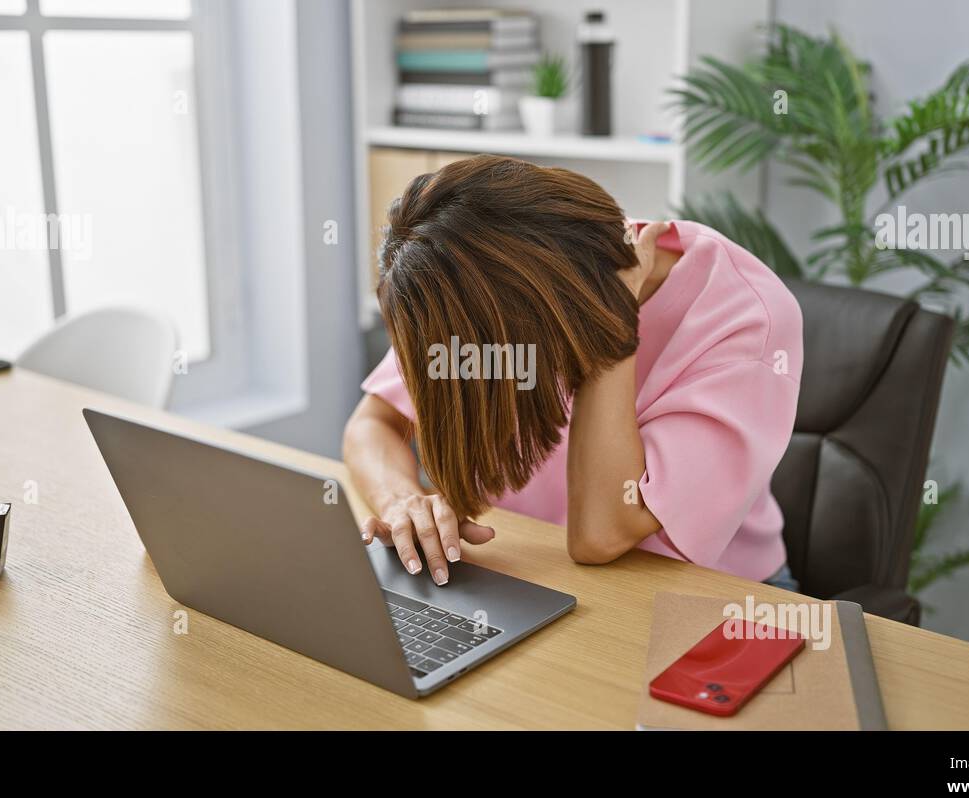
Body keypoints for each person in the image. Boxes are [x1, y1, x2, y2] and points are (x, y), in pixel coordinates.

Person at [343, 154, 802, 591]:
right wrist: (401, 498)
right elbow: (373, 422)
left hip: (713, 594)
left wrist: (613, 330)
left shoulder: (743, 316)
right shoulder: (472, 279)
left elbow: (601, 535)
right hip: (530, 567)